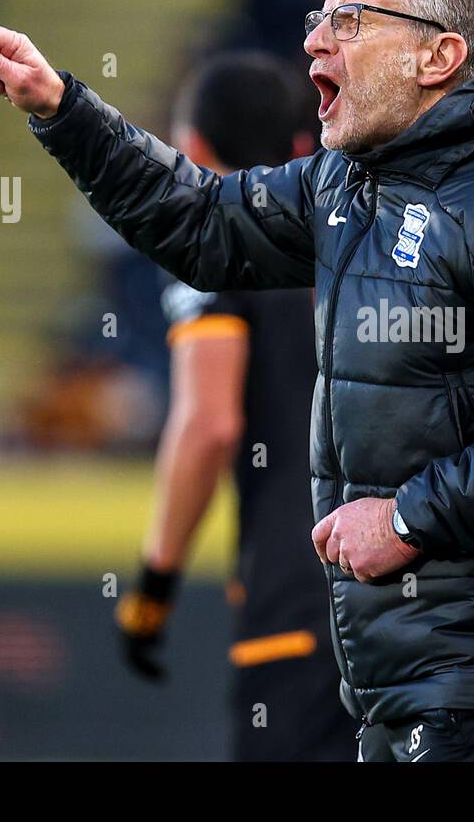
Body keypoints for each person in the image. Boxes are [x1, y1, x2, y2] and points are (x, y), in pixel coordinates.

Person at [0, 0, 474, 762]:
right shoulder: (351, 186)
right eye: (321, 15)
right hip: (400, 677)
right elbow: (203, 225)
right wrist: (60, 108)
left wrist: (407, 517)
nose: (314, 40)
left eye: (350, 20)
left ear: (439, 55)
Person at [112, 52, 355, 760]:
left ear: (190, 151)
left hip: (296, 606)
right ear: (304, 147)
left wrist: (154, 586)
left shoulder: (214, 245)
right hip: (412, 624)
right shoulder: (372, 236)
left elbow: (209, 423)